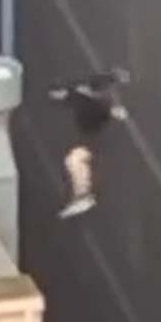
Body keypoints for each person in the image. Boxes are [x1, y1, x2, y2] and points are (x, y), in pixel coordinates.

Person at [49, 68, 131, 219]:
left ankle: (83, 195)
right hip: (89, 132)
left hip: (95, 135)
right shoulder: (73, 92)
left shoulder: (83, 97)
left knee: (74, 160)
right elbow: (98, 80)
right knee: (75, 159)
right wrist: (115, 77)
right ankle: (82, 194)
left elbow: (98, 102)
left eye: (56, 95)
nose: (56, 99)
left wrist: (114, 110)